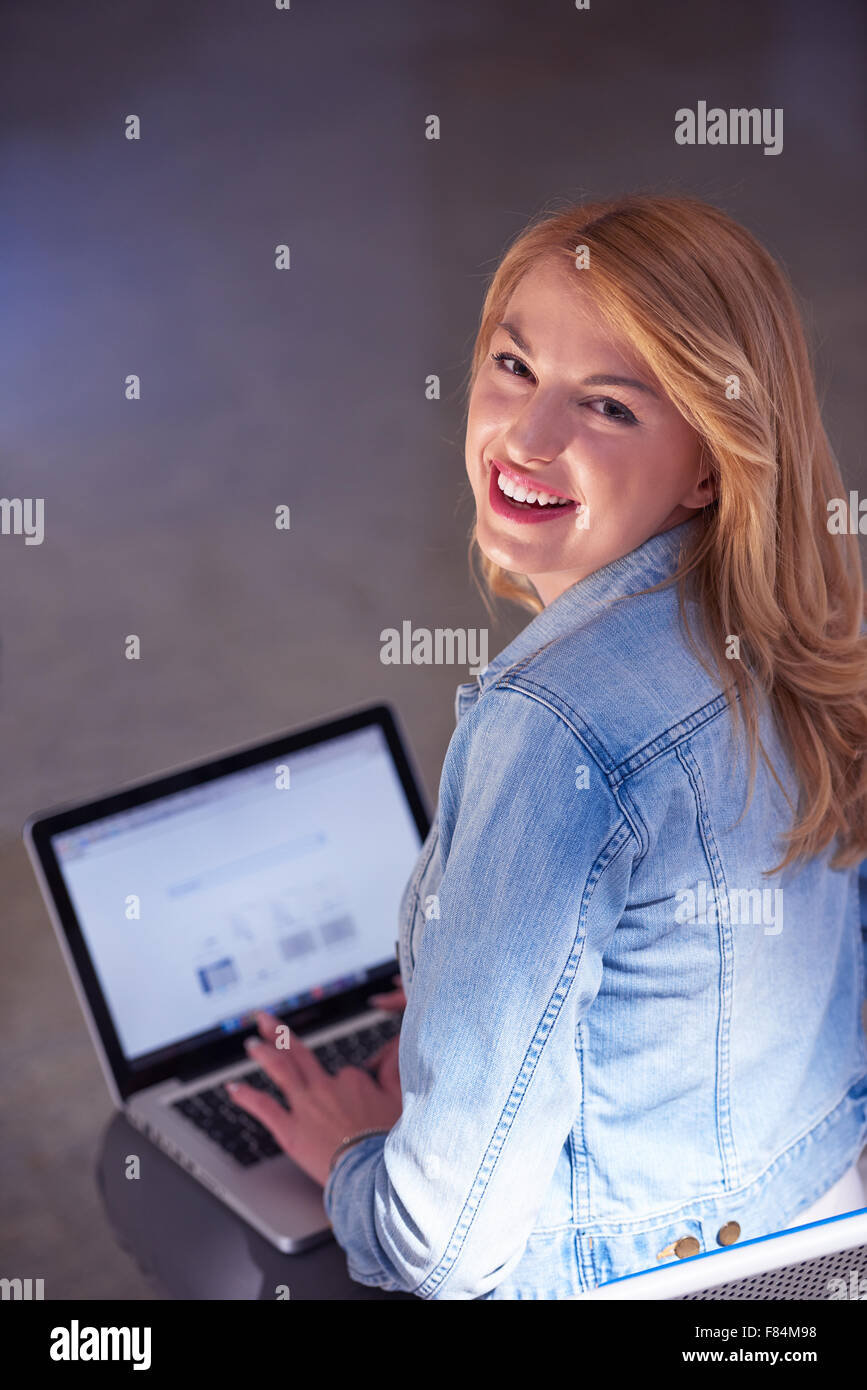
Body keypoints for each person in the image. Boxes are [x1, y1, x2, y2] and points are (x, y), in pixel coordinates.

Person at [229, 194, 867, 1299]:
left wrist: (353, 1153)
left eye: (608, 406)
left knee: (176, 1208)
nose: (525, 438)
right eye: (515, 367)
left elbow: (446, 1242)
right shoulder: (798, 632)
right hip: (815, 1243)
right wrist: (472, 991)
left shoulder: (556, 723)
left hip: (625, 1281)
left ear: (712, 460)